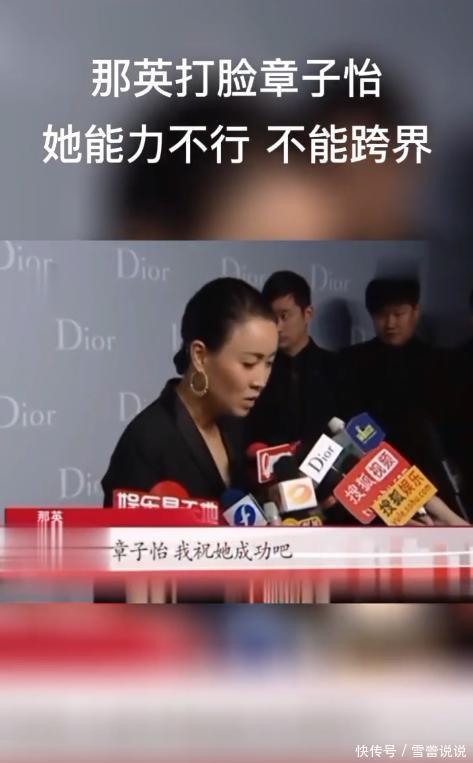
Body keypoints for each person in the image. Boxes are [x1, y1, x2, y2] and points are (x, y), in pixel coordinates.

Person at [102, 277, 278, 506]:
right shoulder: (147, 441)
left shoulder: (238, 427)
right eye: (249, 363)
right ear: (200, 355)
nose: (261, 381)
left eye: (269, 363)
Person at [337, 277, 461, 509]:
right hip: (372, 479)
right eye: (381, 315)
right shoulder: (351, 362)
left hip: (429, 479)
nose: (390, 323)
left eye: (398, 314)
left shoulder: (441, 363)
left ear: (416, 311)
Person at [246, 270, 337, 447]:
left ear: (307, 314)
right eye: (272, 318)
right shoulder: (256, 372)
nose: (278, 327)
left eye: (284, 316)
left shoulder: (336, 368)